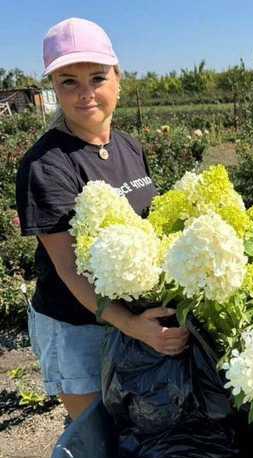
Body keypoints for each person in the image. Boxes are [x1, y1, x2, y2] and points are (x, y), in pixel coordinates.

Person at [15, 17, 189, 422]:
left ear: (118, 79)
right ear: (54, 90)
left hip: (126, 321)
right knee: (95, 436)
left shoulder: (129, 146)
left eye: (96, 77)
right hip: (76, 329)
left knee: (134, 430)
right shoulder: (46, 165)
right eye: (68, 81)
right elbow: (71, 271)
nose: (85, 93)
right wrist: (133, 327)